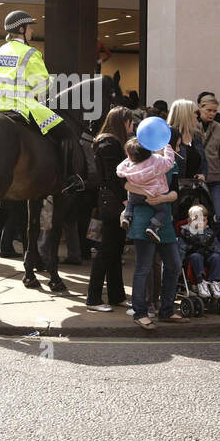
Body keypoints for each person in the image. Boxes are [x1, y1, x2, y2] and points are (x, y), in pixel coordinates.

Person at [0, 10, 86, 194]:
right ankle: (68, 180)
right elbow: (42, 84)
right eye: (30, 27)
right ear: (22, 29)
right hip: (22, 106)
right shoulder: (30, 53)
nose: (32, 31)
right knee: (66, 133)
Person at [124, 123, 186, 330]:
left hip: (164, 219)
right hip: (144, 218)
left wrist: (164, 197)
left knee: (174, 264)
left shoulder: (169, 163)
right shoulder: (141, 159)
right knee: (143, 267)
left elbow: (176, 192)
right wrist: (149, 197)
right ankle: (140, 312)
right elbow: (126, 184)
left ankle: (166, 309)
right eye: (175, 145)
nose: (177, 150)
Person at [85, 106, 132, 311]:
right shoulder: (110, 143)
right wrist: (124, 200)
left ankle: (116, 295)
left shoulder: (107, 141)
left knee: (115, 250)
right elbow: (113, 177)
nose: (133, 127)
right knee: (107, 250)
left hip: (109, 199)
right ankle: (93, 299)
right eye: (130, 122)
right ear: (123, 122)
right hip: (112, 200)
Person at [116, 136, 175, 242]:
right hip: (153, 195)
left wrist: (129, 158)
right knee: (162, 211)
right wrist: (167, 146)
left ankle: (127, 216)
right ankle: (153, 227)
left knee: (130, 201)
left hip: (135, 196)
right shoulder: (157, 161)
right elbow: (169, 162)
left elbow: (118, 171)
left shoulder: (128, 165)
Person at [194, 93, 220, 240]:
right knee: (197, 218)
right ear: (200, 108)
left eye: (214, 111)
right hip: (196, 180)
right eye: (209, 110)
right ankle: (198, 248)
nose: (212, 113)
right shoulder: (192, 127)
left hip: (215, 179)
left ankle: (211, 243)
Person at [180, 204, 220, 299]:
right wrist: (178, 262)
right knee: (196, 256)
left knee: (216, 257)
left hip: (208, 257)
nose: (200, 223)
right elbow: (181, 249)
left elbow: (216, 246)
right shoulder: (186, 234)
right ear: (189, 221)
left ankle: (215, 282)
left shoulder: (209, 233)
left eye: (203, 220)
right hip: (192, 259)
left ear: (206, 221)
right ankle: (201, 282)